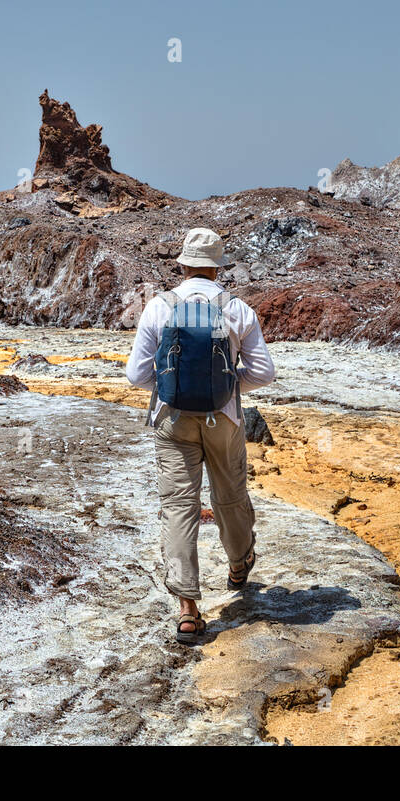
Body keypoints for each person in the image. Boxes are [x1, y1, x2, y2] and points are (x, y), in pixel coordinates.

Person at [124, 227, 277, 644]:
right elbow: (264, 373)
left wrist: (173, 386)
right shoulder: (238, 309)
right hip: (223, 417)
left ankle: (188, 610)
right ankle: (239, 562)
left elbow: (137, 374)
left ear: (184, 264)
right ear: (216, 267)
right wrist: (227, 385)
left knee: (178, 506)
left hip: (172, 419)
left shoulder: (159, 307)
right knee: (229, 495)